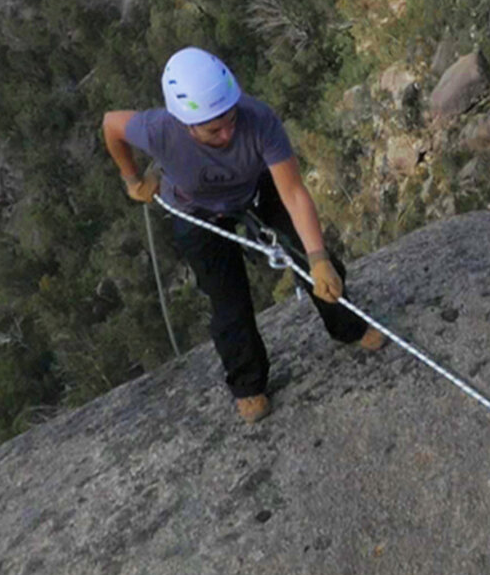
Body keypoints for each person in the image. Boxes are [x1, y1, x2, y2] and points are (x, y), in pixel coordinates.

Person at [101, 47, 385, 425]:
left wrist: (318, 259)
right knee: (228, 301)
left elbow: (293, 193)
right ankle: (249, 384)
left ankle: (350, 327)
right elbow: (111, 124)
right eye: (213, 129)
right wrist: (132, 178)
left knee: (309, 258)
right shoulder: (158, 130)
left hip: (254, 189)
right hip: (194, 210)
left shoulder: (258, 120)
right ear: (186, 123)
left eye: (230, 119)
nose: (227, 132)